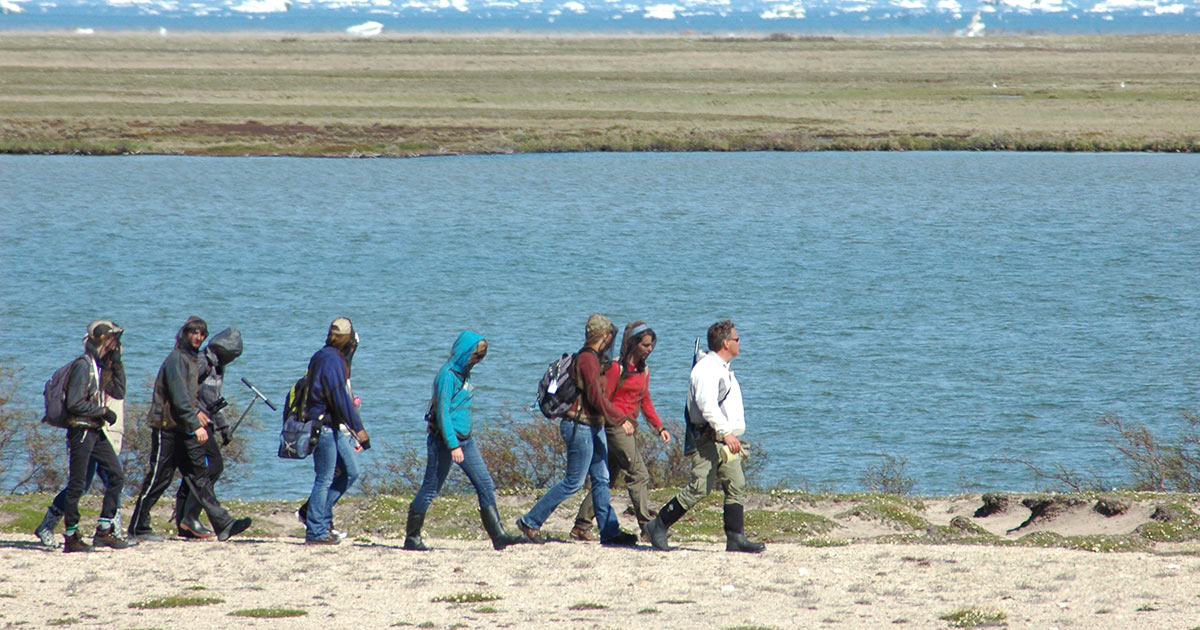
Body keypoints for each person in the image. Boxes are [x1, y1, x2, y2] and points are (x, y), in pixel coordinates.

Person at [515, 314, 639, 547]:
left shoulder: (593, 359)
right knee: (573, 482)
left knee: (602, 478)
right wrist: (619, 419)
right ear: (603, 337)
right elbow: (595, 396)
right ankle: (530, 521)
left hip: (594, 426)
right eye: (609, 337)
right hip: (578, 427)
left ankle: (610, 532)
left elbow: (598, 396)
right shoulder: (587, 360)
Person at [644, 319, 765, 553]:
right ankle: (657, 526)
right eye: (737, 339)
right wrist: (726, 433)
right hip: (709, 439)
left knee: (736, 484)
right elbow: (707, 405)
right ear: (726, 343)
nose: (740, 343)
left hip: (724, 439)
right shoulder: (707, 369)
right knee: (699, 488)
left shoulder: (720, 369)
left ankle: (735, 538)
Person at [127, 316, 252, 542]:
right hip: (167, 427)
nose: (198, 337)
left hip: (182, 428)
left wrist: (211, 421)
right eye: (194, 332)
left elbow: (194, 396)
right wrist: (196, 422)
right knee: (159, 478)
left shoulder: (192, 359)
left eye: (202, 333)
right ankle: (138, 526)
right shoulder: (177, 359)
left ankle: (223, 524)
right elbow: (180, 397)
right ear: (184, 333)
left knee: (199, 476)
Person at [403, 331, 526, 551]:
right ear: (465, 352)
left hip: (466, 441)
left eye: (481, 357)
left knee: (485, 483)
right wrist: (453, 445)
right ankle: (412, 537)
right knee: (431, 488)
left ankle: (498, 535)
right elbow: (443, 414)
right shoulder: (447, 376)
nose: (479, 361)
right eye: (477, 356)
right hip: (445, 441)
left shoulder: (464, 373)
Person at [34, 320, 133, 549]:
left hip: (95, 431)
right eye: (113, 339)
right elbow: (75, 403)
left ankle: (104, 529)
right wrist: (103, 411)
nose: (116, 344)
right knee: (79, 484)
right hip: (81, 430)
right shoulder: (83, 365)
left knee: (115, 475)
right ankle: (70, 535)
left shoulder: (100, 366)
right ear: (102, 339)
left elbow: (119, 391)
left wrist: (117, 364)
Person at [570, 321, 671, 541]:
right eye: (645, 345)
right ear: (634, 344)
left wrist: (659, 426)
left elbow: (645, 400)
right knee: (639, 474)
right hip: (615, 427)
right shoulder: (616, 368)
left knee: (606, 477)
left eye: (652, 345)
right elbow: (603, 398)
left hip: (629, 428)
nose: (649, 349)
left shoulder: (644, 371)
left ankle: (581, 525)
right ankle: (647, 527)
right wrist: (617, 420)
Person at [303, 317, 369, 545]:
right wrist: (359, 430)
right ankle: (316, 531)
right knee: (324, 478)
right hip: (324, 426)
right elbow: (340, 399)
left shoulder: (323, 356)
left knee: (350, 472)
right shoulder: (332, 360)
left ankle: (317, 516)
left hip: (331, 426)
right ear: (348, 340)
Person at [174, 327, 243, 539]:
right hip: (194, 424)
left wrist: (224, 427)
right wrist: (194, 414)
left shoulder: (218, 368)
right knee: (212, 467)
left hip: (208, 423)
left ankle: (185, 523)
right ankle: (191, 516)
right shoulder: (203, 363)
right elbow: (183, 391)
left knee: (194, 475)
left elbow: (214, 399)